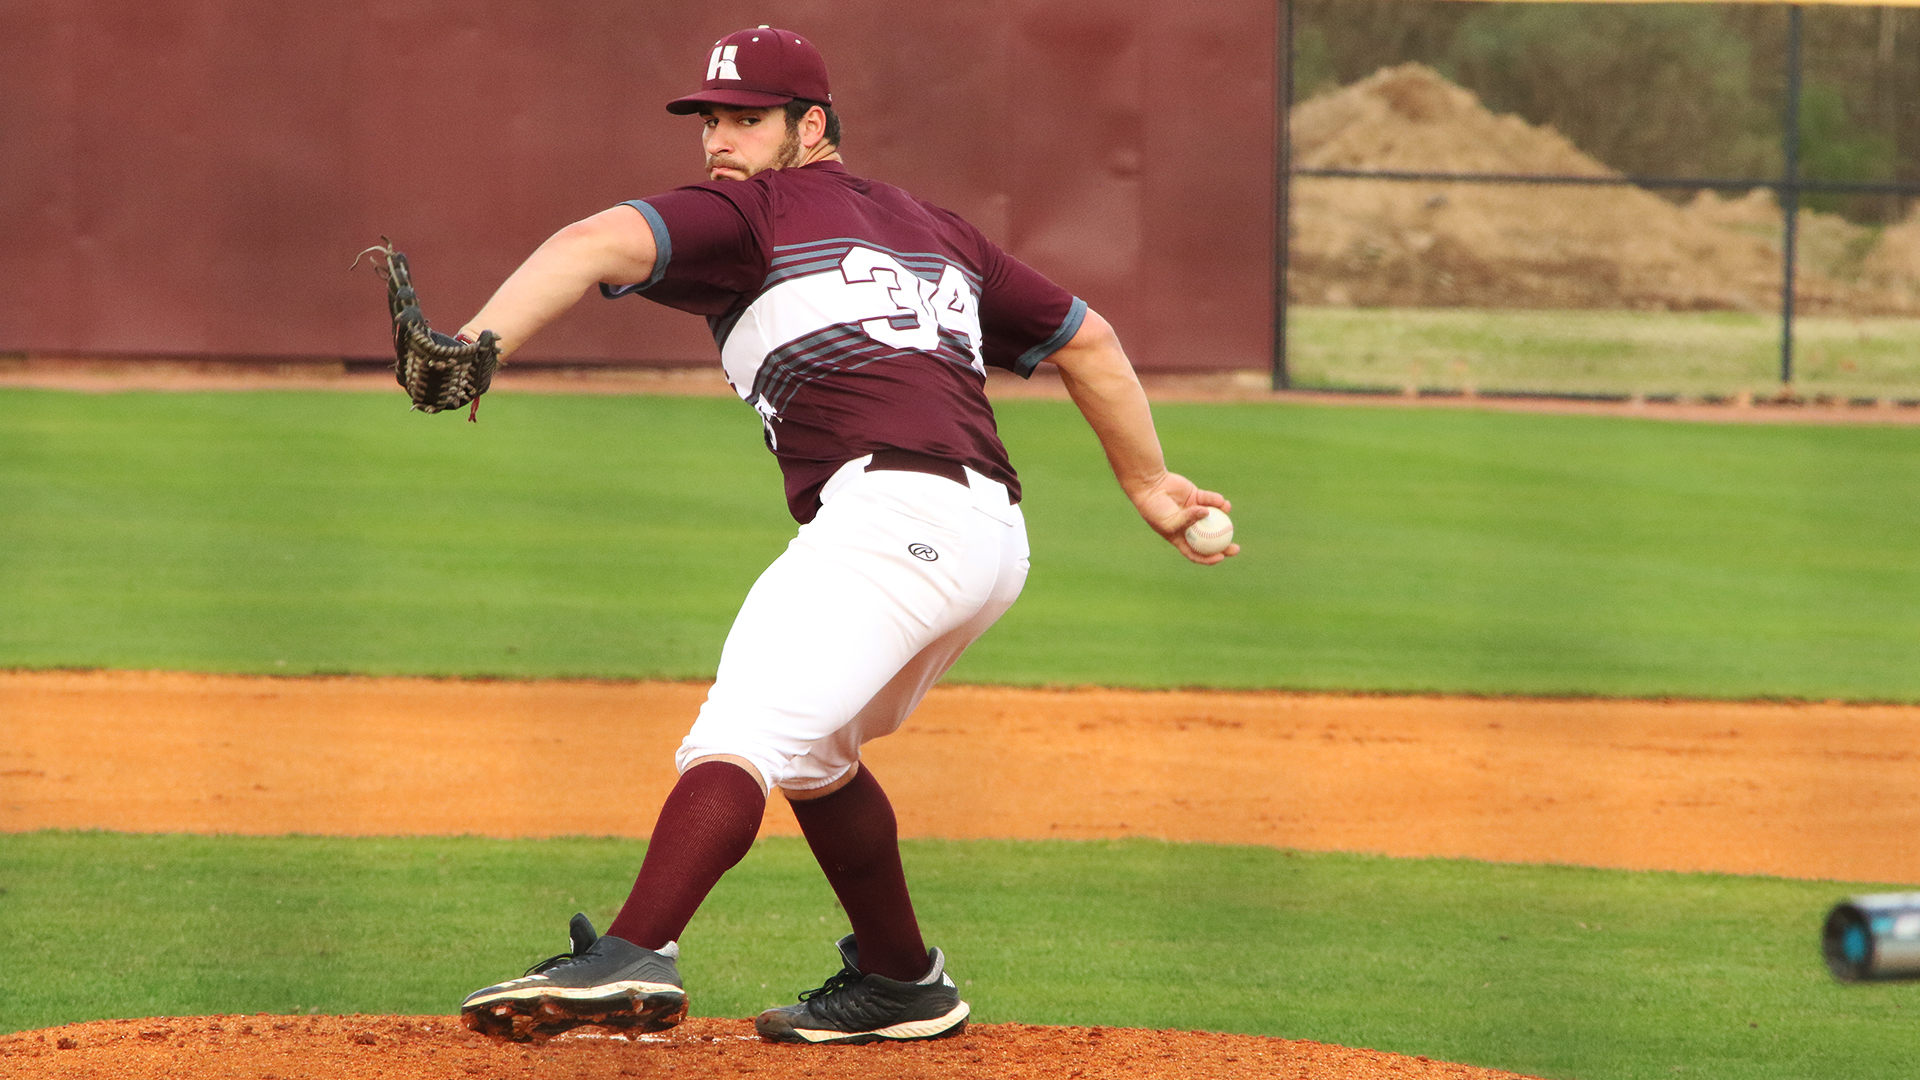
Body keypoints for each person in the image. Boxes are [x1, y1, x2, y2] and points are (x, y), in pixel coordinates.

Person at [454, 25, 1240, 1046]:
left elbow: (586, 245)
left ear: (809, 125)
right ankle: (904, 980)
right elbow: (1086, 337)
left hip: (891, 519)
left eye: (746, 119)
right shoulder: (936, 228)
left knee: (734, 734)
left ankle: (635, 952)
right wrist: (1150, 486)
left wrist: (478, 344)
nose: (719, 141)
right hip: (990, 538)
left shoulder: (749, 211)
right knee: (817, 754)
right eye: (709, 120)